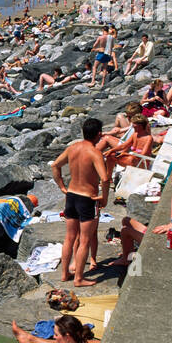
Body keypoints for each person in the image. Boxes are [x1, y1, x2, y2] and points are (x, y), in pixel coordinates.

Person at [50, 117, 109, 286]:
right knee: (84, 240)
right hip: (87, 199)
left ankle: (64, 274)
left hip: (72, 196)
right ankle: (79, 278)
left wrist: (62, 187)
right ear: (99, 134)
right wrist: (104, 198)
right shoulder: (95, 153)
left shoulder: (72, 148)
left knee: (69, 238)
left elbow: (55, 165)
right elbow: (105, 179)